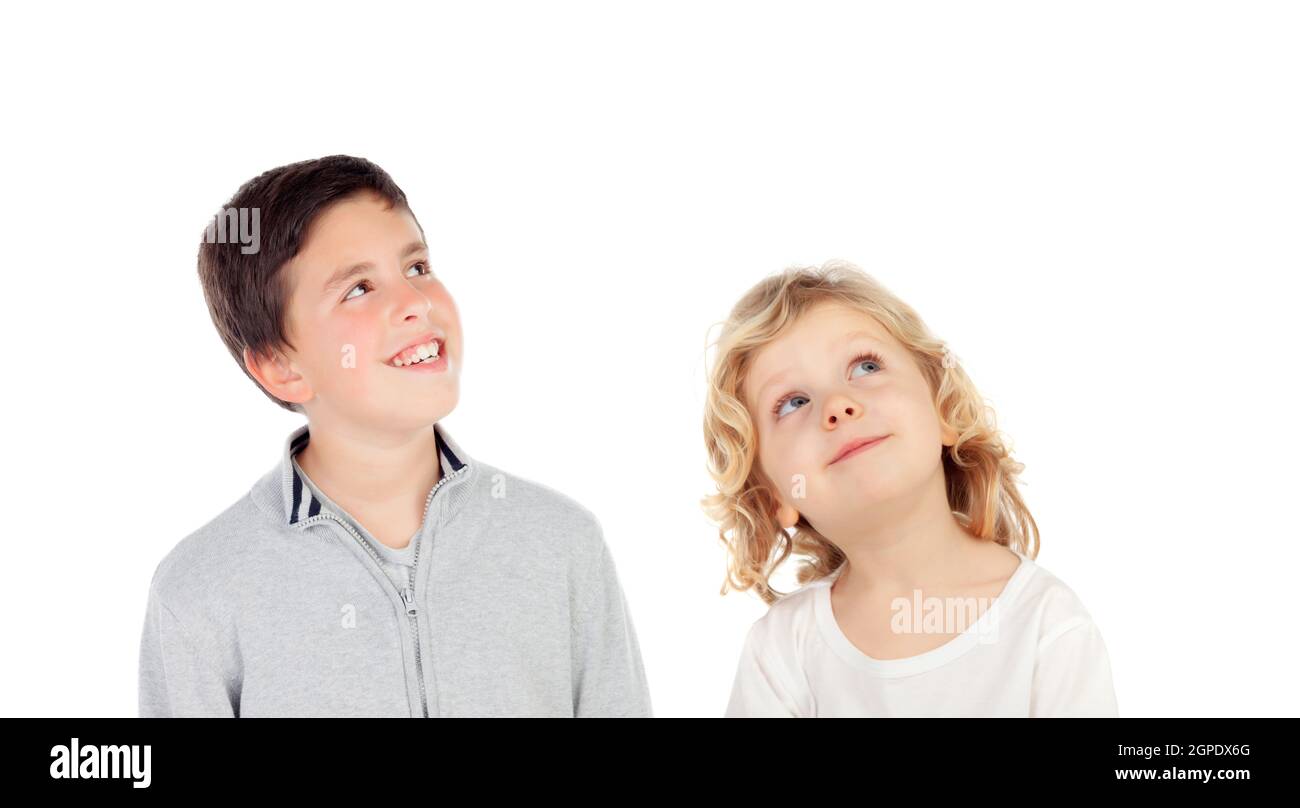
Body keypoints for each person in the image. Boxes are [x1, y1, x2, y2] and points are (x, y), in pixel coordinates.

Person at [138, 155, 651, 717]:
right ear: (282, 366)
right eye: (358, 289)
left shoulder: (562, 544)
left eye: (418, 267)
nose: (415, 303)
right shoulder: (200, 593)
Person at [702, 260, 1117, 717]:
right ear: (772, 496)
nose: (838, 405)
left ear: (943, 409)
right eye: (793, 402)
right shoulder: (782, 651)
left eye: (864, 366)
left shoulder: (1046, 625)